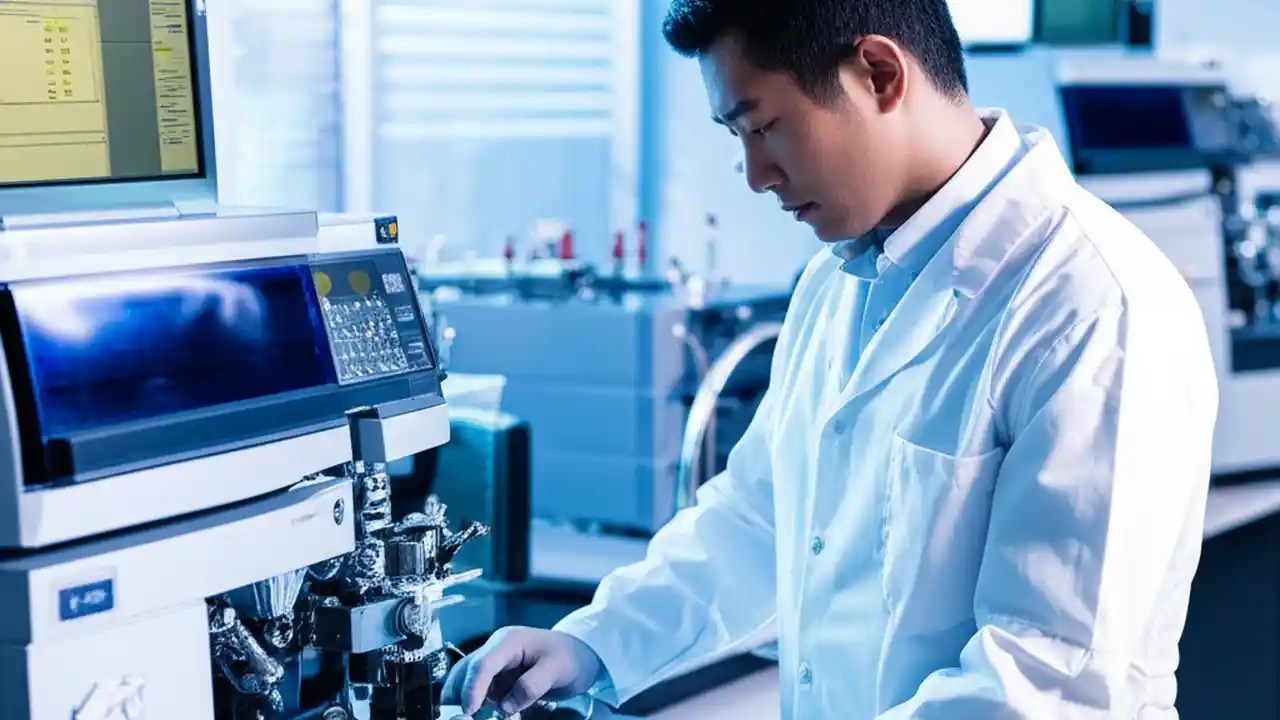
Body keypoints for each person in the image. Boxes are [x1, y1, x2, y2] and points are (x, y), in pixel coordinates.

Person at [443, 0, 1219, 717]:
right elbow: (762, 517)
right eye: (735, 137)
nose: (755, 176)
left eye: (764, 126)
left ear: (880, 74)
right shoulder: (838, 279)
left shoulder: (1092, 304)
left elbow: (1043, 683)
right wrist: (592, 644)